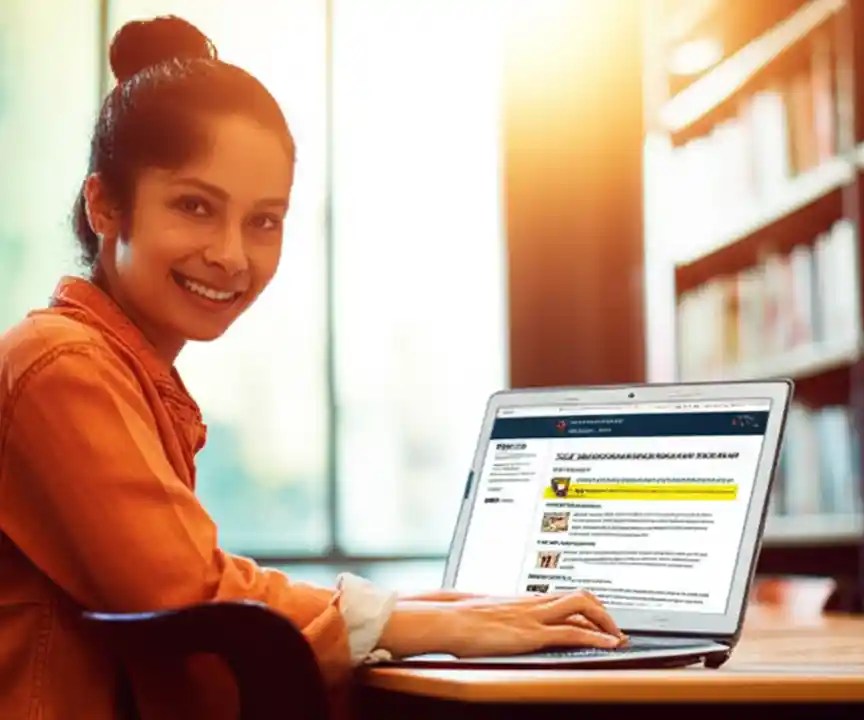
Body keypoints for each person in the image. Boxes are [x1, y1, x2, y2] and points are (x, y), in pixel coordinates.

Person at [0, 15, 625, 720]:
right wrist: (429, 624)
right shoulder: (62, 366)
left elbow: (188, 585)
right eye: (195, 207)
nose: (232, 255)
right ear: (106, 205)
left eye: (264, 220)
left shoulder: (114, 369)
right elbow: (198, 602)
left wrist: (434, 610)